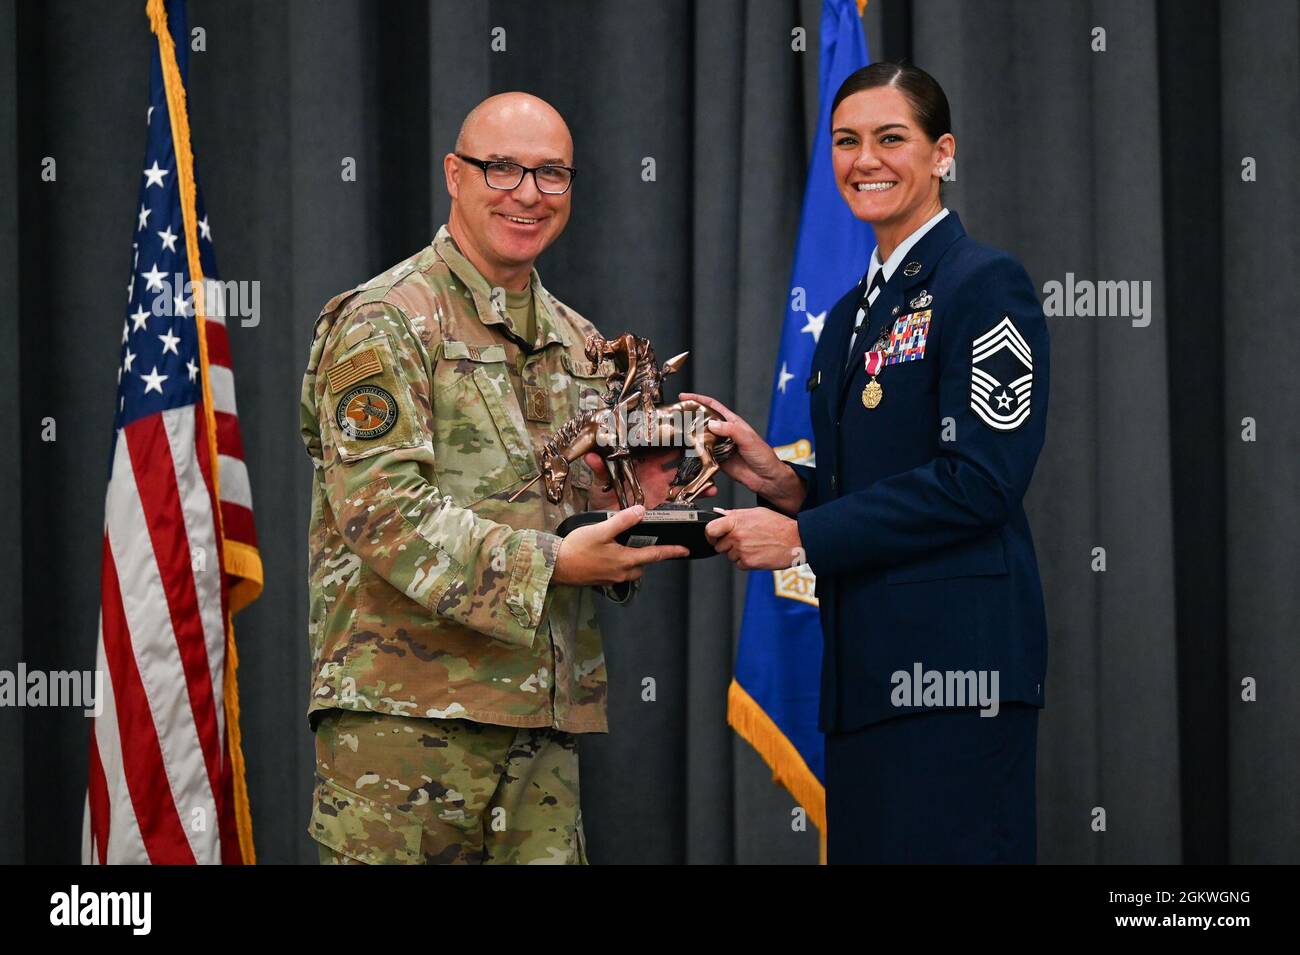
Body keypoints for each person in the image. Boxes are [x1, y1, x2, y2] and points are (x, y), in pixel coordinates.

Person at [299, 92, 691, 865]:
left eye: (551, 174)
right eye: (502, 168)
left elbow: (568, 510)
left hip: (541, 730)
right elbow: (382, 511)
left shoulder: (581, 344)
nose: (527, 193)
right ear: (455, 174)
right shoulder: (386, 319)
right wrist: (554, 561)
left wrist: (630, 507)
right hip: (403, 725)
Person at [685, 62, 1050, 863]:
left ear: (942, 152)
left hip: (958, 674)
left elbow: (980, 481)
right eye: (846, 141)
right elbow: (873, 485)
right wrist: (783, 484)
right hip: (865, 672)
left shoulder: (985, 283)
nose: (865, 160)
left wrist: (803, 540)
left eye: (892, 138)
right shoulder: (853, 310)